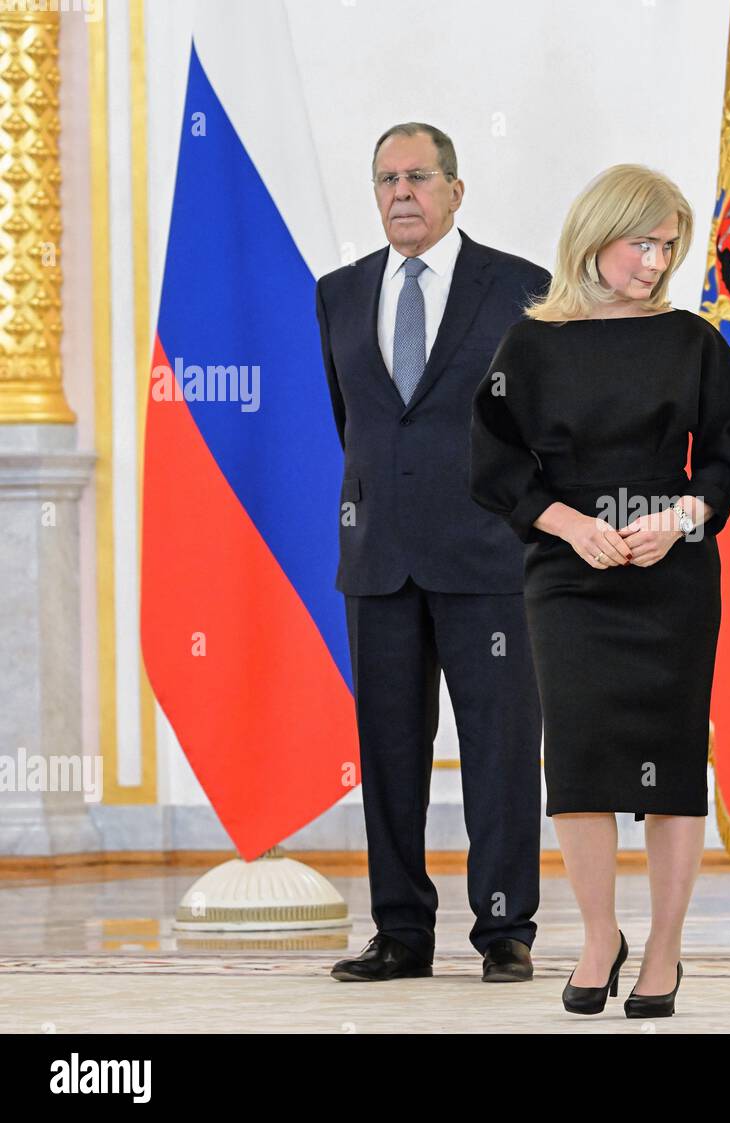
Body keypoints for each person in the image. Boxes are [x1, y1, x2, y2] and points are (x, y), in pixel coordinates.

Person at [469, 164, 730, 1018]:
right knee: (582, 760)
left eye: (671, 245)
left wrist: (681, 517)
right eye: (645, 243)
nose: (658, 261)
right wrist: (567, 524)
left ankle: (664, 948)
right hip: (568, 579)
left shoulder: (693, 339)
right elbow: (492, 465)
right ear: (597, 238)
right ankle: (601, 934)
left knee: (672, 762)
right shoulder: (530, 344)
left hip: (673, 574)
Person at [315, 123, 549, 984]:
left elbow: (539, 425)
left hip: (489, 558)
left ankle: (504, 928)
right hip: (376, 559)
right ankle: (401, 931)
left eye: (418, 177)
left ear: (456, 188)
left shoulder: (520, 287)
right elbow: (358, 424)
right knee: (388, 751)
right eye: (385, 179)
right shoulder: (337, 293)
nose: (400, 193)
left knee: (499, 745)